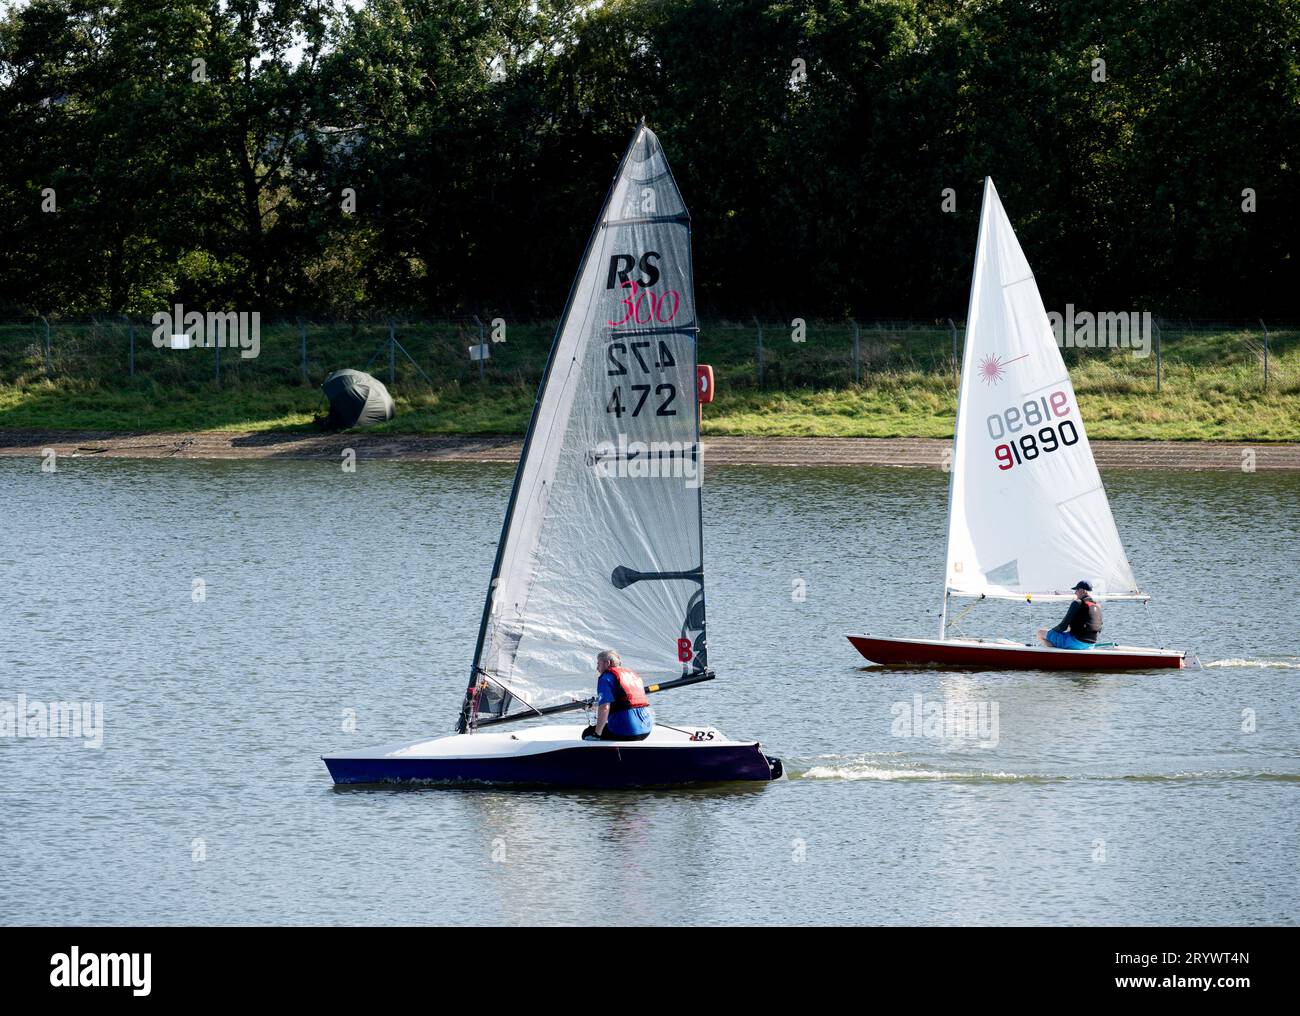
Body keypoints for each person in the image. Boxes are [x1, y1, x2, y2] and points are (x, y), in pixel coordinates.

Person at [581, 650, 655, 741]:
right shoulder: (632, 675)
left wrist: (597, 735)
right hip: (646, 729)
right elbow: (624, 703)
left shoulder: (606, 678)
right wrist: (594, 706)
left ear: (607, 663)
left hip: (627, 731)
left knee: (587, 733)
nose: (597, 668)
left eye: (598, 664)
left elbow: (604, 707)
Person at [1037, 580, 1102, 650]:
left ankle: (1056, 656)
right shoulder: (1097, 605)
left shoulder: (1077, 603)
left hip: (1076, 642)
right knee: (1066, 633)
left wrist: (1051, 632)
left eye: (1077, 590)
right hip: (1091, 645)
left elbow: (1063, 626)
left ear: (1083, 591)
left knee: (1041, 633)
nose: (1075, 593)